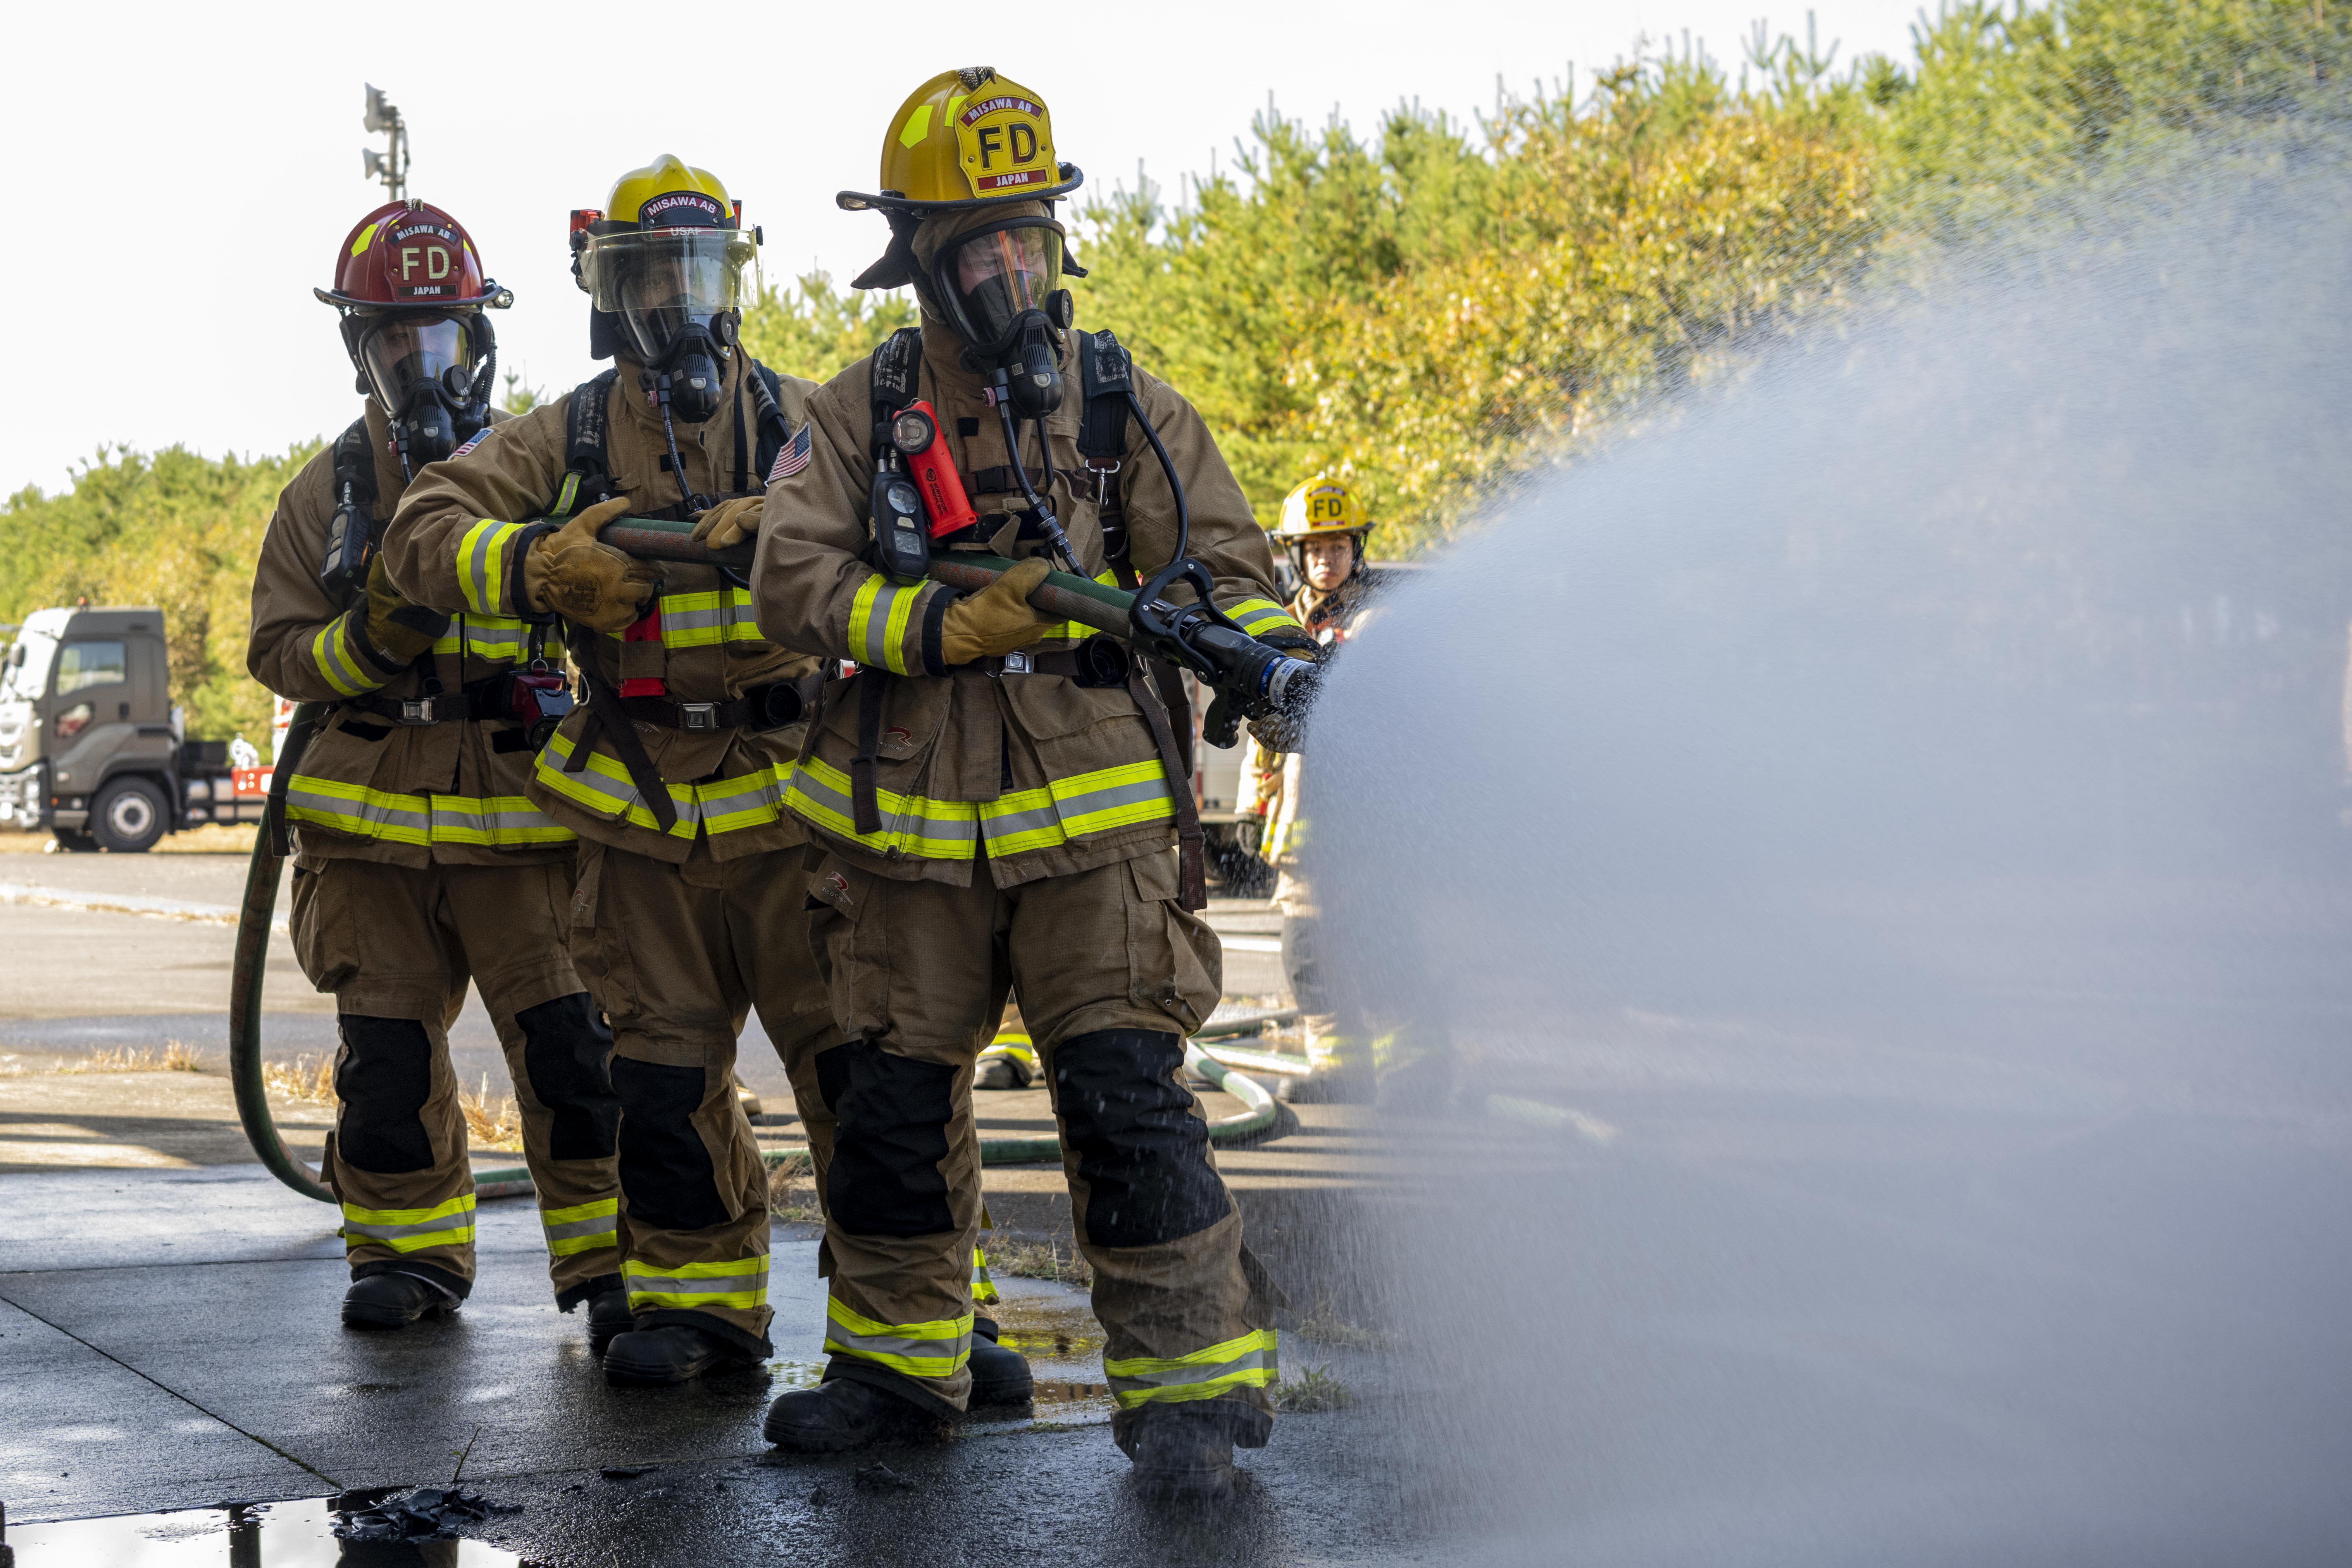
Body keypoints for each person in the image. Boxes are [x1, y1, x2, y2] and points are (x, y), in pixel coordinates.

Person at [743, 68, 1315, 1500]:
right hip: (904, 837)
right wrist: (940, 621)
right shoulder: (859, 411)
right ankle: (893, 1368)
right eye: (976, 244)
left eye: (1028, 238)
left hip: (1097, 831)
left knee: (1127, 1099)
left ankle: (1191, 1391)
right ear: (919, 256)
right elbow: (789, 579)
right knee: (886, 1107)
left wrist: (1269, 663)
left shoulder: (1123, 403)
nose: (1009, 270)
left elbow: (1228, 577)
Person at [380, 158, 1032, 1404]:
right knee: (663, 1075)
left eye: (703, 272)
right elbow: (422, 528)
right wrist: (530, 565)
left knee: (864, 1074)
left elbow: (938, 546)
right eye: (650, 275)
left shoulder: (813, 422)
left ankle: (939, 1313)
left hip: (801, 809)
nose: (681, 305)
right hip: (644, 821)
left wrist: (790, 529)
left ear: (737, 280)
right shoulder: (566, 435)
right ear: (606, 290)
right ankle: (696, 1305)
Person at [247, 200, 628, 1342]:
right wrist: (374, 639)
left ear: (482, 336)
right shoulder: (325, 495)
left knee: (573, 1055)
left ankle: (612, 1263)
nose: (426, 365)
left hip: (523, 821)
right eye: (399, 340)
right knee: (387, 1063)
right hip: (368, 833)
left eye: (445, 337)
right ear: (361, 349)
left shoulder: (537, 468)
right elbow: (277, 647)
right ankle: (407, 1258)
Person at [1242, 476, 1384, 1103]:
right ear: (1297, 555)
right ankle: (1340, 1069)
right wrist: (1252, 804)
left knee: (1384, 946)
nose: (1326, 560)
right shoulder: (1283, 622)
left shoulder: (1376, 622)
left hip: (1368, 828)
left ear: (1357, 550)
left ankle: (1415, 1069)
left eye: (1338, 548)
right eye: (1314, 550)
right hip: (1304, 826)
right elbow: (1264, 725)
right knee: (1309, 954)